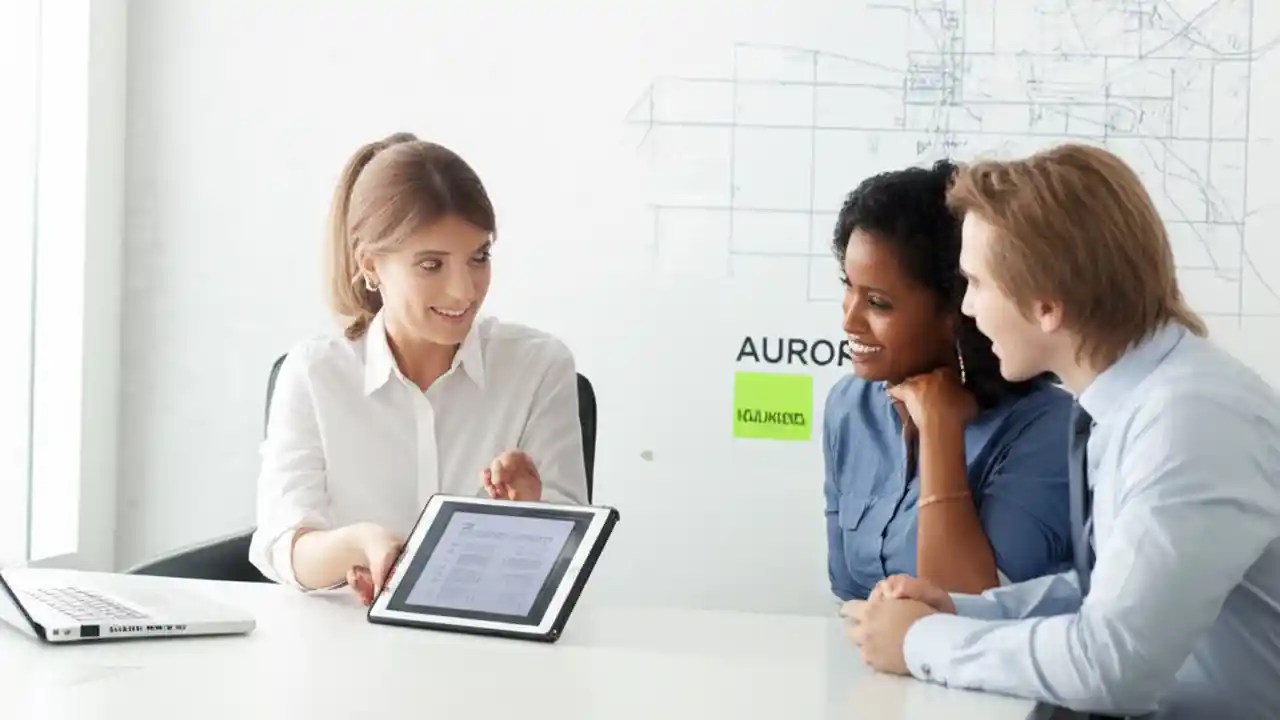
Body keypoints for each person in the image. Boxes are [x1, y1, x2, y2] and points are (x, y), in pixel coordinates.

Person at [845, 144, 1280, 719]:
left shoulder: (1190, 423)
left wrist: (918, 642)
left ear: (1047, 307)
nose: (967, 310)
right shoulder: (1135, 401)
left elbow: (1112, 665)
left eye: (975, 283)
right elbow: (1103, 593)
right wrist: (959, 610)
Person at [248, 132, 589, 604]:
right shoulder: (314, 374)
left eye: (479, 258)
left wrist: (531, 515)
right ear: (370, 264)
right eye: (431, 265)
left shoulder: (538, 367)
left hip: (490, 656)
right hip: (345, 650)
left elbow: (568, 561)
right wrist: (360, 544)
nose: (464, 291)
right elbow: (284, 546)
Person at [825, 161, 1073, 601]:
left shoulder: (1048, 429)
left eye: (879, 303)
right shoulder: (850, 406)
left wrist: (940, 430)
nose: (849, 320)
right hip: (877, 664)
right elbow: (849, 594)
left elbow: (968, 611)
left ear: (956, 313)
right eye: (849, 287)